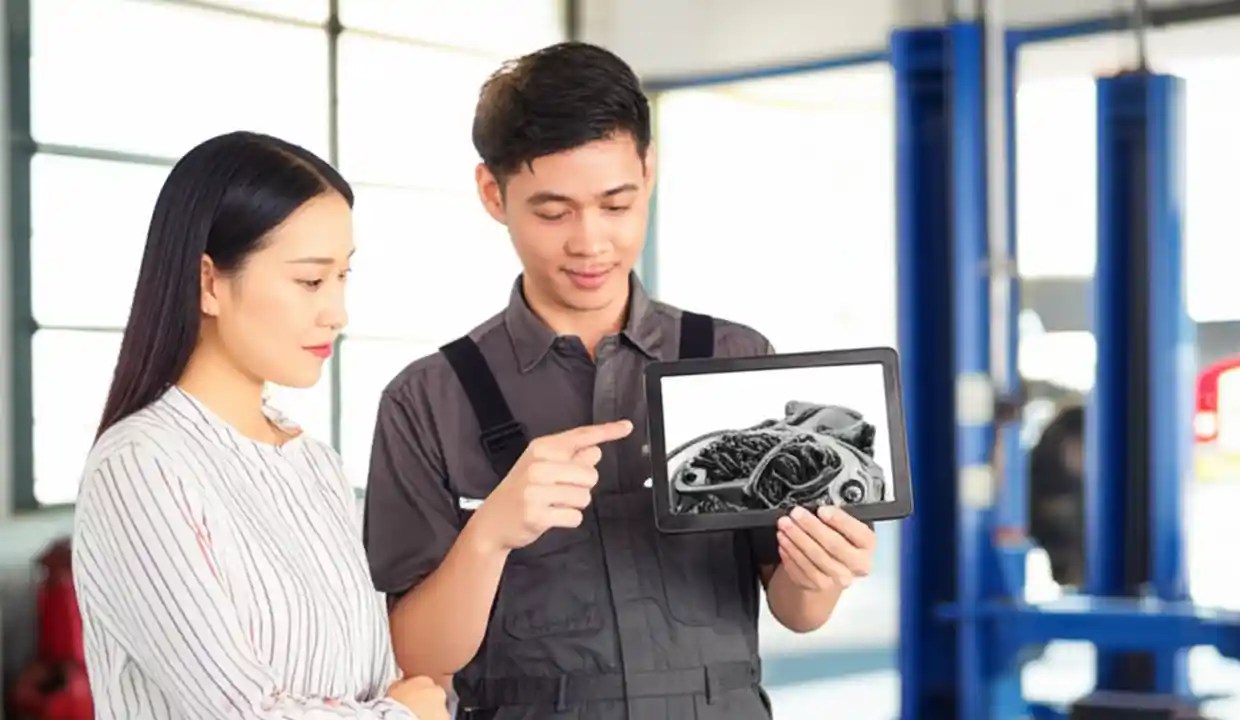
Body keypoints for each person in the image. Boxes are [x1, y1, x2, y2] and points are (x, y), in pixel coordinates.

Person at [361, 42, 878, 720]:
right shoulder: (428, 399)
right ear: (494, 193)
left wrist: (820, 575)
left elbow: (793, 608)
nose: (590, 242)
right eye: (553, 211)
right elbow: (418, 657)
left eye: (616, 203)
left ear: (648, 171)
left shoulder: (731, 357)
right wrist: (490, 533)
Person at [70, 131, 449, 720]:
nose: (337, 311)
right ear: (209, 282)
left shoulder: (315, 464)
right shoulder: (140, 466)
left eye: (343, 276)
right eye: (309, 281)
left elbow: (376, 677)